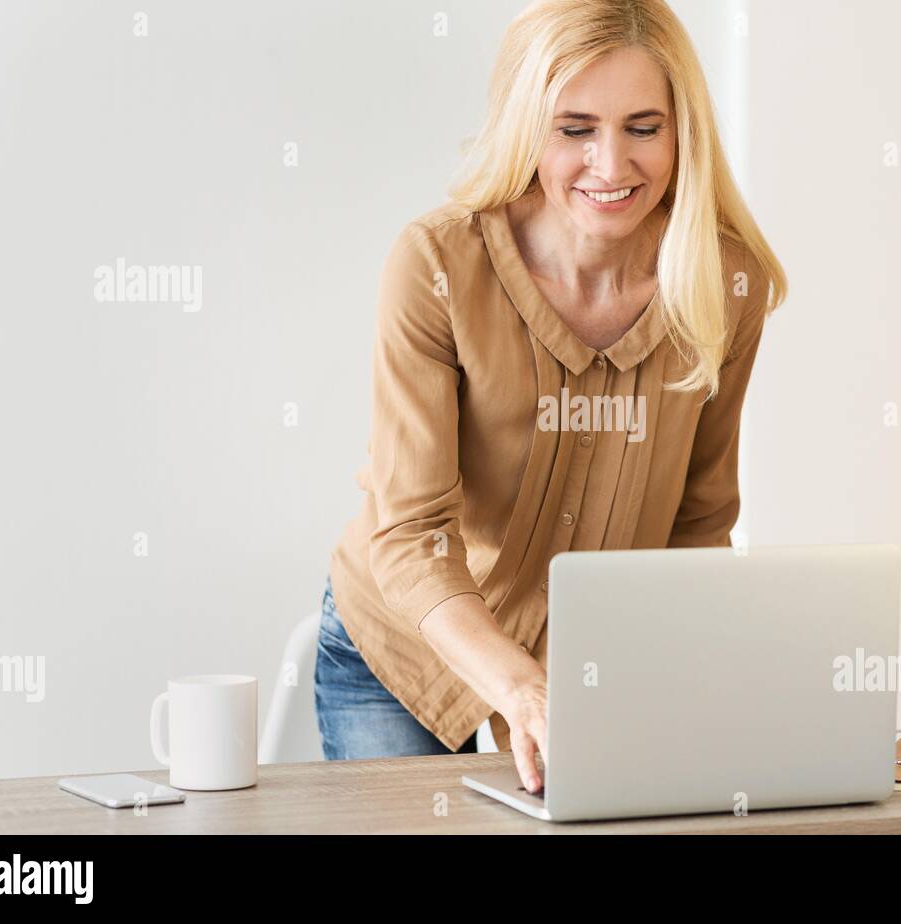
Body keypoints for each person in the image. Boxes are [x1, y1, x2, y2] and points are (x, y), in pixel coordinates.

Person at [317, 0, 787, 795]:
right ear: (526, 127)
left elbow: (699, 523)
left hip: (588, 672)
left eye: (644, 127)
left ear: (683, 132)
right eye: (575, 129)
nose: (611, 165)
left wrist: (695, 689)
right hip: (403, 648)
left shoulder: (723, 284)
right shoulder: (435, 266)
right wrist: (522, 688)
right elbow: (412, 535)